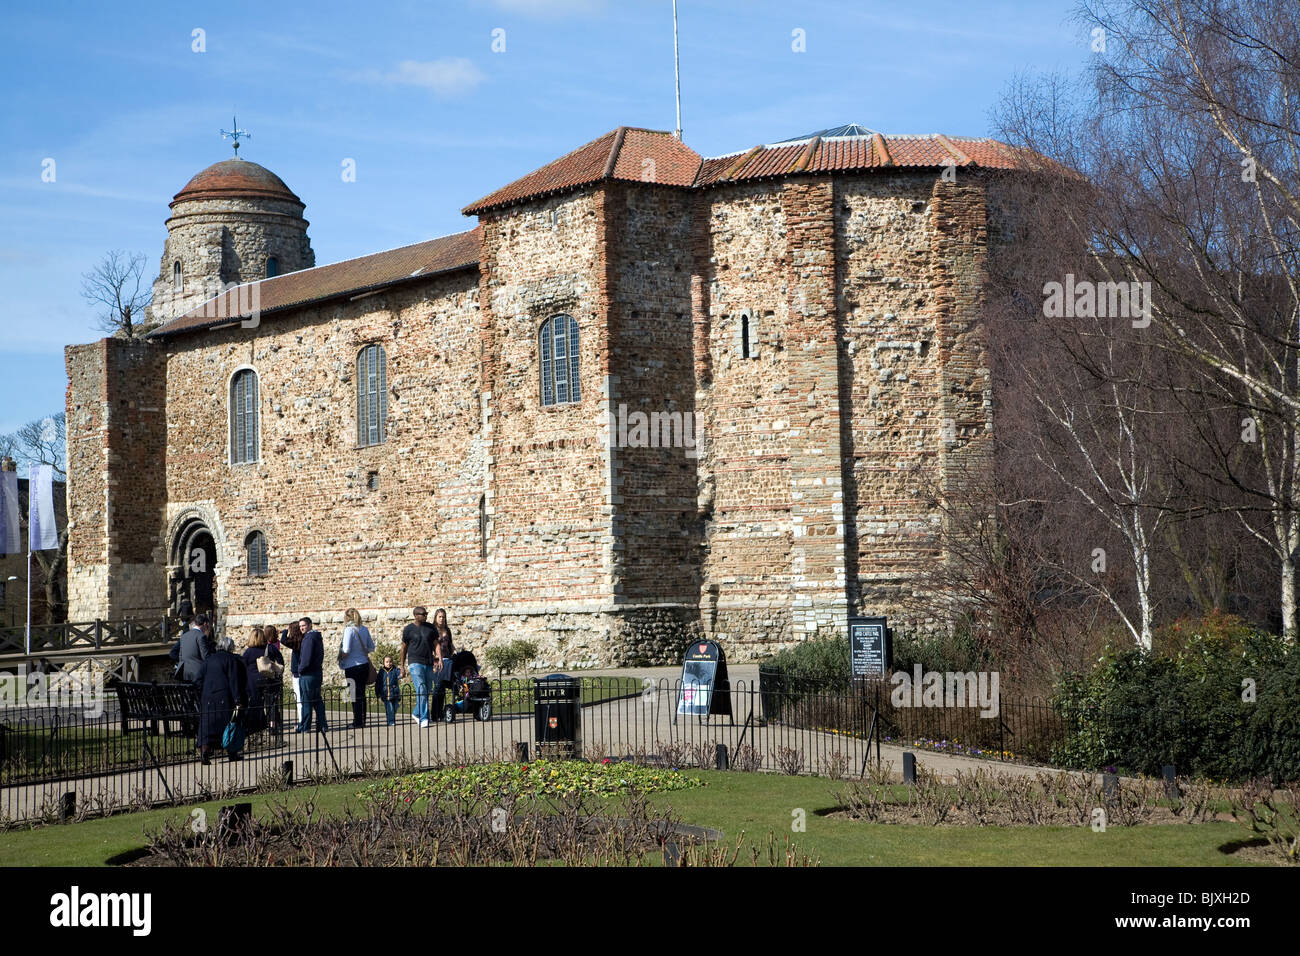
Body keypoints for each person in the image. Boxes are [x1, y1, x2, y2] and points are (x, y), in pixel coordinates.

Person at [197, 636, 248, 764]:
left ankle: (204, 752)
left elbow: (198, 679)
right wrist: (238, 699)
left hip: (208, 698)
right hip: (225, 698)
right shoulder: (231, 660)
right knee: (229, 725)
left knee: (207, 727)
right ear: (230, 647)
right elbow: (234, 681)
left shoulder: (209, 660)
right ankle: (232, 752)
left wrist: (202, 693)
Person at [240, 626, 284, 736]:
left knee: (255, 705)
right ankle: (272, 726)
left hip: (253, 682)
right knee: (271, 705)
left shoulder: (248, 652)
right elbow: (281, 661)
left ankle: (256, 726)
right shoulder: (270, 648)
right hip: (269, 680)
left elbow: (242, 667)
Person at [338, 608, 375, 728]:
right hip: (363, 664)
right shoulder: (364, 629)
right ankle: (362, 720)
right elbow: (371, 647)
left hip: (352, 666)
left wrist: (341, 657)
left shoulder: (349, 630)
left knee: (354, 694)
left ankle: (357, 721)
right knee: (362, 694)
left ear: (347, 618)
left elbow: (346, 649)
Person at [400, 606, 435, 727]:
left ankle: (416, 712)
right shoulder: (408, 629)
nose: (426, 616)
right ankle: (424, 718)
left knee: (428, 689)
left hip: (428, 662)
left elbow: (436, 644)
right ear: (416, 615)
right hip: (415, 662)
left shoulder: (431, 628)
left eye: (426, 613)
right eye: (423, 614)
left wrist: (439, 658)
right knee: (421, 689)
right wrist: (402, 666)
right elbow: (403, 648)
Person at [294, 616, 327, 734]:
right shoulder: (317, 637)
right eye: (300, 626)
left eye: (304, 625)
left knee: (306, 701)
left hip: (308, 674)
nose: (302, 628)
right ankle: (323, 725)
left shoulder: (309, 638)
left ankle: (305, 726)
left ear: (310, 625)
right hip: (316, 672)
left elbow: (306, 659)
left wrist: (300, 669)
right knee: (317, 700)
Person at [430, 608, 457, 717]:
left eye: (443, 617)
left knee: (444, 686)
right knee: (437, 687)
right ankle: (434, 713)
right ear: (436, 618)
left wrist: (455, 651)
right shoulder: (432, 630)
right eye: (440, 617)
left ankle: (441, 713)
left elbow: (450, 643)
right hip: (436, 662)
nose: (442, 619)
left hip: (447, 661)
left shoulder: (447, 630)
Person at [177, 612, 215, 683]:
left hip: (185, 673)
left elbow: (180, 656)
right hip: (198, 673)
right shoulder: (201, 636)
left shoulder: (184, 636)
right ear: (205, 624)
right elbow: (205, 657)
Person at [281, 620, 304, 728]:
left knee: (299, 698)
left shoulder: (294, 643)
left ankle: (302, 721)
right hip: (304, 672)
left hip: (297, 672)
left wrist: (285, 630)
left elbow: (283, 640)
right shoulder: (305, 640)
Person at [375, 655, 402, 726]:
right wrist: (377, 693)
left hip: (395, 693)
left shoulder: (395, 670)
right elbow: (377, 683)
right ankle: (391, 721)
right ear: (384, 663)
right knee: (390, 708)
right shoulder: (381, 672)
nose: (388, 663)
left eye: (390, 662)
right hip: (385, 694)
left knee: (395, 706)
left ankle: (390, 717)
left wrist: (402, 670)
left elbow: (401, 674)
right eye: (386, 662)